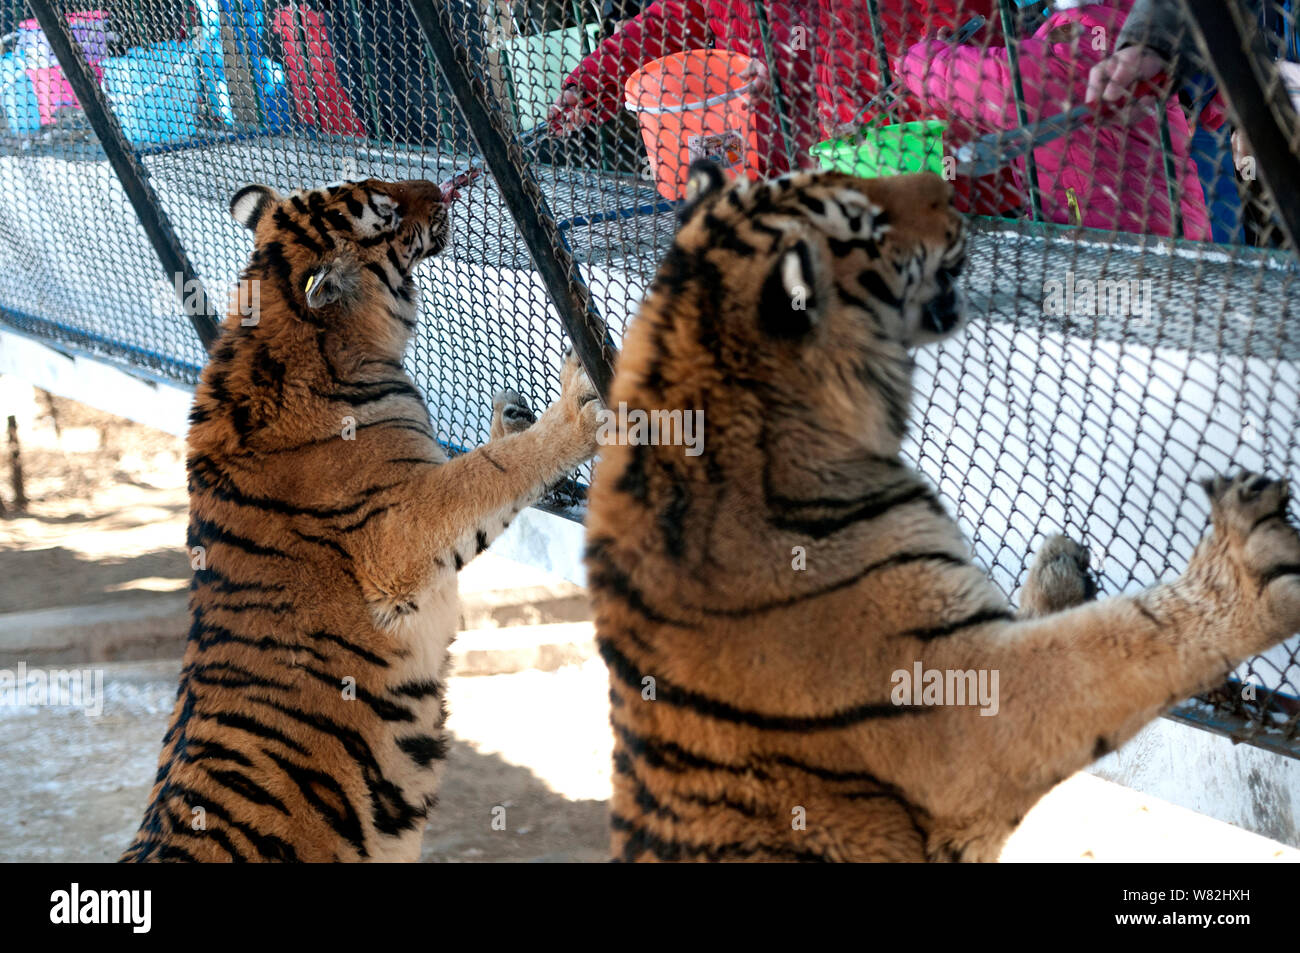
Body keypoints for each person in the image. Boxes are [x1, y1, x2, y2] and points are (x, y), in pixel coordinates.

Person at [546, 0, 997, 176]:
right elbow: (674, 18)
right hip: (787, 181)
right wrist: (593, 86)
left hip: (911, 177)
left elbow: (960, 47)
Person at [899, 0, 1212, 239]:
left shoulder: (1085, 37)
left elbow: (1003, 85)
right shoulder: (1121, 27)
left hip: (1125, 242)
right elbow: (1021, 107)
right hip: (1150, 229)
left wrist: (922, 57)